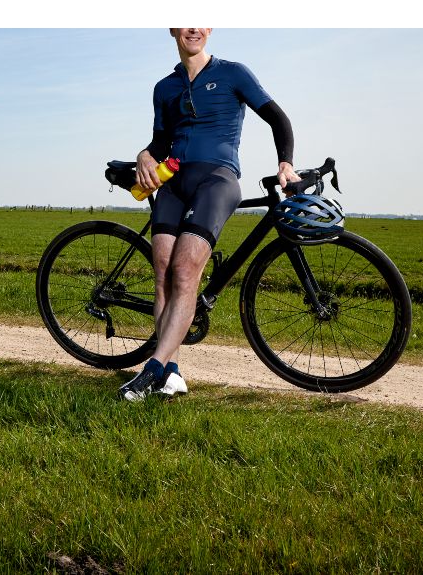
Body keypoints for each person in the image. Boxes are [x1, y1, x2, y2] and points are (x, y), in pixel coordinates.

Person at [120, 27, 300, 401]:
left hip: (217, 178)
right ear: (172, 28)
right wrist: (144, 155)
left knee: (185, 270)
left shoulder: (233, 73)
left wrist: (286, 163)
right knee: (163, 270)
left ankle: (151, 369)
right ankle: (171, 372)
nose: (194, 28)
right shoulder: (164, 87)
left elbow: (278, 118)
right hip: (173, 182)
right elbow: (159, 143)